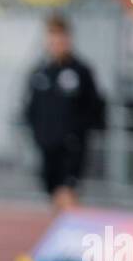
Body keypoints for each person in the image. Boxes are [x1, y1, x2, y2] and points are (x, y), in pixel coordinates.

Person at [22, 12, 105, 213]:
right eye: (52, 37)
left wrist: (80, 133)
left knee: (67, 194)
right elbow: (30, 108)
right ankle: (65, 237)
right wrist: (38, 136)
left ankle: (73, 237)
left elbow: (96, 106)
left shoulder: (81, 71)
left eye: (61, 37)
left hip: (72, 148)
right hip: (47, 147)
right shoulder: (39, 73)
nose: (57, 42)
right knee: (54, 197)